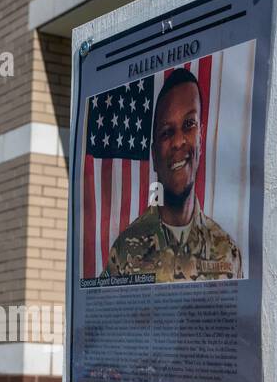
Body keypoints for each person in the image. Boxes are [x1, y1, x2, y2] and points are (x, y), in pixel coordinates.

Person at [101, 67, 244, 282]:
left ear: (201, 139)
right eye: (167, 132)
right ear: (154, 155)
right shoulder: (125, 251)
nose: (178, 142)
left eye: (189, 124)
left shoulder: (227, 251)